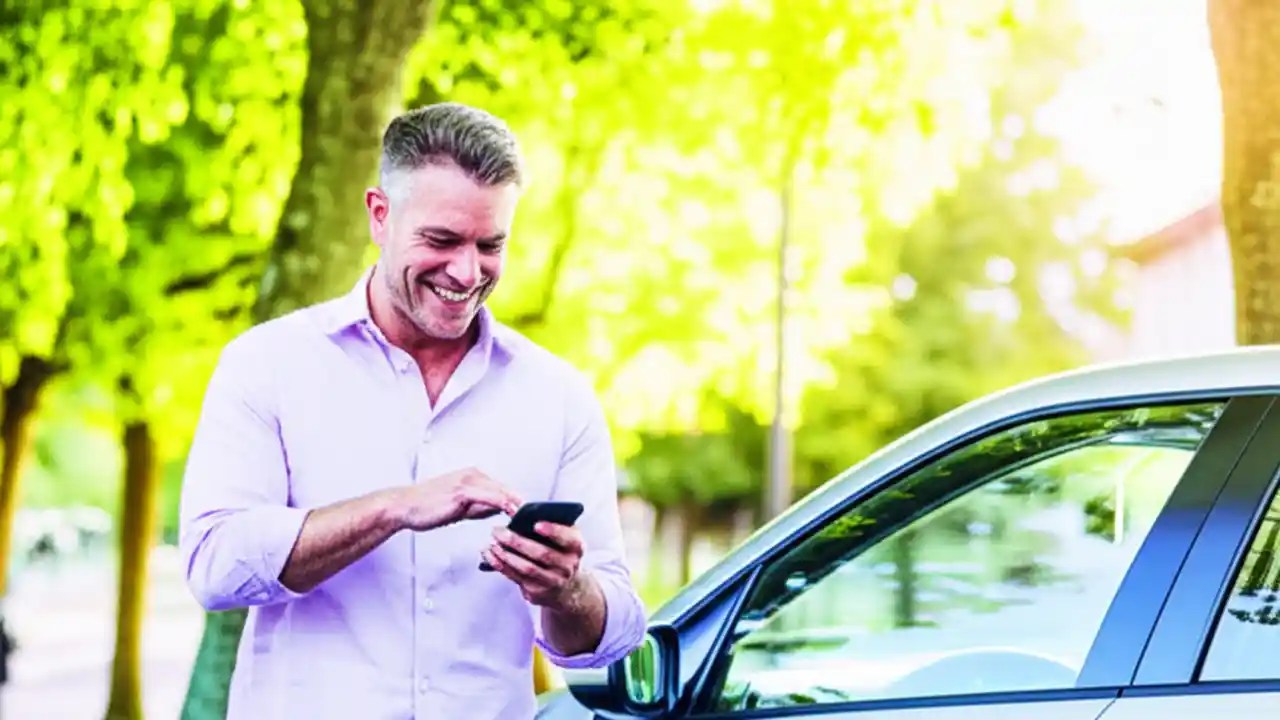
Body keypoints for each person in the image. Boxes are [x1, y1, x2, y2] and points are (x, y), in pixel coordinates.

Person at [178, 102, 646, 719]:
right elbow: (214, 565)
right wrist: (395, 507)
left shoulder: (557, 396)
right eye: (442, 240)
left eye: (490, 245)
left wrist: (567, 589)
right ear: (380, 215)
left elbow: (605, 639)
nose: (466, 271)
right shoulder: (267, 364)